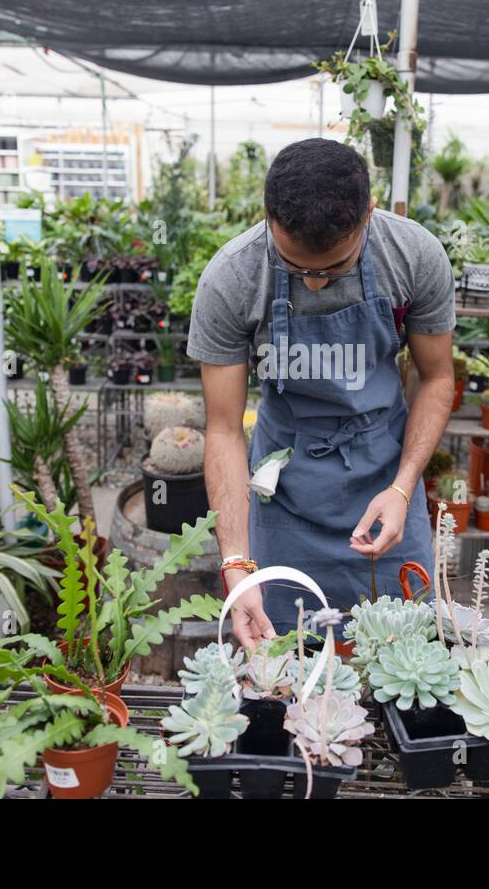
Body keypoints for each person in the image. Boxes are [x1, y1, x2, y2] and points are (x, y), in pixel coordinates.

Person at [186, 138, 455, 648]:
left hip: (386, 479)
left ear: (369, 215)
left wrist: (402, 488)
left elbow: (438, 378)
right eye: (296, 268)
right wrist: (235, 562)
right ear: (267, 218)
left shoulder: (413, 256)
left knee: (405, 653)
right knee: (288, 658)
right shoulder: (232, 278)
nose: (312, 284)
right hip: (285, 491)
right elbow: (223, 428)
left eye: (332, 268)